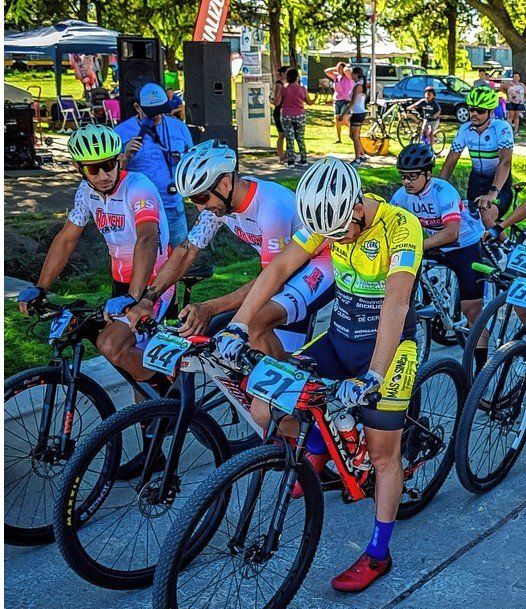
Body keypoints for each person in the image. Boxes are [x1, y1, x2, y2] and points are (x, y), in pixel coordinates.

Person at [214, 157, 424, 593]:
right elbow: (278, 268)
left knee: (383, 456)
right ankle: (319, 449)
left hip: (387, 349)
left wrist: (374, 376)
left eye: (340, 233)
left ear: (358, 208)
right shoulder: (324, 218)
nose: (334, 241)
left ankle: (378, 553)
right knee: (267, 404)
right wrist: (239, 324)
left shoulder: (401, 227)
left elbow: (396, 303)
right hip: (339, 337)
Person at [124, 140, 335, 354]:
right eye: (193, 200)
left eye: (201, 197)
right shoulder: (219, 205)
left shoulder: (271, 207)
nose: (200, 207)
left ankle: (286, 375)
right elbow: (186, 251)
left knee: (257, 325)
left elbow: (275, 279)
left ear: (225, 183)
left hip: (318, 262)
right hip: (284, 268)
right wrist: (149, 299)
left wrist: (210, 307)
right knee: (254, 336)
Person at [18, 125, 172, 385]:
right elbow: (67, 239)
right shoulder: (86, 192)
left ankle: (174, 385)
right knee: (129, 358)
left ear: (118, 160)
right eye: (93, 169)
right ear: (78, 168)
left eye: (109, 165)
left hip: (154, 282)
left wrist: (135, 296)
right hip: (122, 282)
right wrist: (41, 287)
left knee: (111, 344)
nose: (103, 175)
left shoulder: (138, 187)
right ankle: (156, 403)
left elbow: (147, 238)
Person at [390, 143, 488, 369]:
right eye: (403, 176)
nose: (406, 182)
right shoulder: (402, 195)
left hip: (464, 245)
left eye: (412, 176)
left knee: (472, 310)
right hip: (437, 243)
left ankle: (481, 368)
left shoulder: (444, 192)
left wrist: (416, 245)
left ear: (428, 174)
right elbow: (388, 223)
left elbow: (452, 232)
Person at [114, 83, 193, 247]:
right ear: (137, 107)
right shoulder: (119, 133)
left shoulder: (179, 127)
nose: (157, 115)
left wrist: (183, 161)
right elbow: (111, 176)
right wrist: (126, 156)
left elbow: (192, 162)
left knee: (180, 256)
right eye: (151, 111)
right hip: (140, 211)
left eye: (161, 110)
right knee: (145, 257)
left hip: (174, 207)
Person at [440, 87, 515, 233]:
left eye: (480, 110)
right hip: (476, 184)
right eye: (471, 109)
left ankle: (506, 245)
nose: (474, 113)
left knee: (486, 217)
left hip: (499, 186)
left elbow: (505, 162)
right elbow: (450, 162)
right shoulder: (465, 129)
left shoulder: (501, 128)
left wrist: (493, 193)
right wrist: (439, 188)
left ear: (491, 112)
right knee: (466, 222)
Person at [275, 68, 315, 167]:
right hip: (300, 115)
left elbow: (277, 102)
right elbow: (309, 102)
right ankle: (304, 159)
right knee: (300, 137)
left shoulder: (284, 88)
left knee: (289, 138)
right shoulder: (302, 89)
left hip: (286, 115)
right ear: (297, 77)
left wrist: (271, 100)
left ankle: (290, 161)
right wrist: (315, 99)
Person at [325, 62, 355, 144]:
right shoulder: (336, 76)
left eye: (340, 68)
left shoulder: (348, 77)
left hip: (346, 100)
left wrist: (344, 68)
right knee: (337, 120)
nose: (339, 70)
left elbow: (348, 71)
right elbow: (326, 71)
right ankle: (339, 139)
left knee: (344, 119)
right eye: (338, 68)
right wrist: (336, 68)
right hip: (337, 100)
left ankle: (354, 133)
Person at [348, 66, 370, 165]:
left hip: (358, 112)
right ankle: (362, 154)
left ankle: (357, 158)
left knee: (355, 137)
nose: (351, 75)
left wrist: (344, 113)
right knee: (352, 136)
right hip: (356, 112)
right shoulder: (358, 84)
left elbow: (353, 101)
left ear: (356, 74)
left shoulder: (358, 86)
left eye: (352, 73)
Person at [272, 67, 287, 162]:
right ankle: (281, 155)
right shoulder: (279, 84)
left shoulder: (288, 84)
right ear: (282, 73)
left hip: (286, 111)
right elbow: (276, 101)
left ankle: (286, 154)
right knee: (282, 134)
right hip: (279, 111)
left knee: (287, 134)